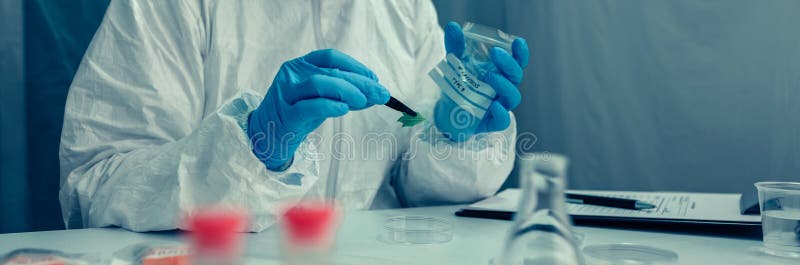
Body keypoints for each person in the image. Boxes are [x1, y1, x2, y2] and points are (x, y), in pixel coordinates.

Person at [59, 0, 529, 232]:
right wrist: (253, 147)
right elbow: (94, 184)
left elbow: (415, 191)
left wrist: (451, 132)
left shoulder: (402, 8)